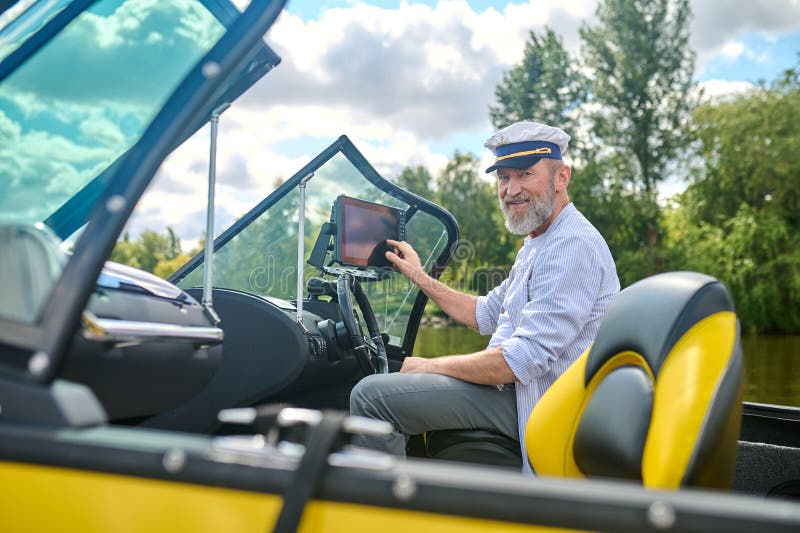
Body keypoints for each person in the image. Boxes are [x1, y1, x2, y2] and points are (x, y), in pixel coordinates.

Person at [349, 121, 620, 472]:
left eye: (524, 174)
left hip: (538, 407)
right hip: (519, 395)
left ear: (561, 177)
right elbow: (485, 313)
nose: (511, 189)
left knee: (371, 397)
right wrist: (418, 275)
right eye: (503, 177)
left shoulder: (571, 245)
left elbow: (520, 361)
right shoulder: (540, 243)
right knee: (397, 383)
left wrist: (430, 365)